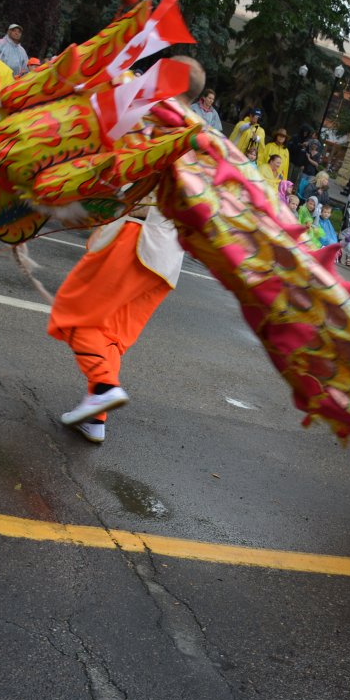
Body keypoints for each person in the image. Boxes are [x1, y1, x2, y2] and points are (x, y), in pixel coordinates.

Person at [50, 56, 207, 444]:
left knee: (74, 317)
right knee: (111, 337)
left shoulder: (155, 118)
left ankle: (103, 388)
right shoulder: (205, 136)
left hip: (133, 236)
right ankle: (96, 418)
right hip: (166, 257)